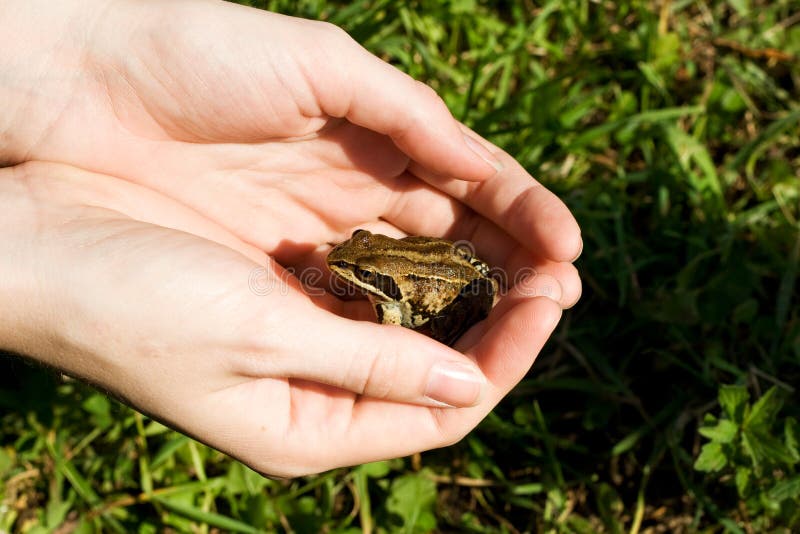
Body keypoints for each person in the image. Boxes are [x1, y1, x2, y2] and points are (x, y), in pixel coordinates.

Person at [0, 0, 582, 478]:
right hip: (445, 259)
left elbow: (398, 308)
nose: (342, 263)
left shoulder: (386, 288)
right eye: (353, 253)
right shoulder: (362, 259)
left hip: (451, 288)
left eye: (357, 268)